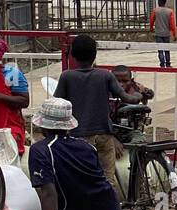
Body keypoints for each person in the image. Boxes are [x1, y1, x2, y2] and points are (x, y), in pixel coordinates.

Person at [27, 98, 145, 210]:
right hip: (111, 208)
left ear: (42, 125)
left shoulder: (40, 150)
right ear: (68, 126)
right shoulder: (86, 146)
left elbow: (48, 194)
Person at [54, 34, 141, 198]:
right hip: (104, 135)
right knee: (107, 179)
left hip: (78, 137)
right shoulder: (105, 75)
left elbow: (57, 103)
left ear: (72, 55)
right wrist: (138, 95)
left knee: (80, 177)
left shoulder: (67, 76)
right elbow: (127, 98)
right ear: (95, 55)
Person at [149, 0, 177, 68]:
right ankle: (168, 64)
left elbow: (151, 21)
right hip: (166, 33)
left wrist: (151, 29)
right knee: (167, 49)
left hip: (158, 33)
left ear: (159, 2)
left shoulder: (155, 11)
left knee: (160, 49)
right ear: (165, 2)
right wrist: (174, 34)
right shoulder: (170, 11)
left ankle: (162, 64)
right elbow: (172, 24)